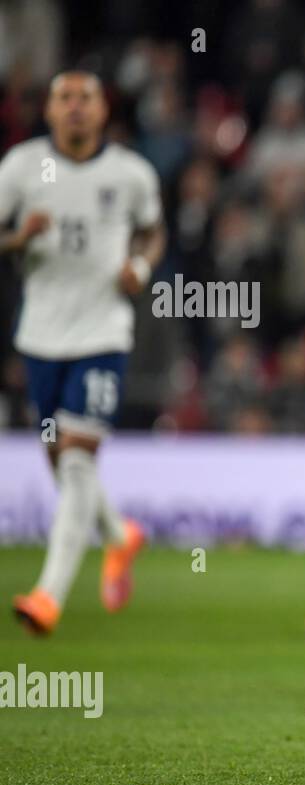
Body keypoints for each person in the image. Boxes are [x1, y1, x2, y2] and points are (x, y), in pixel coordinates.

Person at [5, 72, 165, 635]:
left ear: (103, 110)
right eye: (64, 98)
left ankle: (48, 596)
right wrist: (18, 240)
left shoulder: (129, 173)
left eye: (86, 99)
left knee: (75, 459)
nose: (75, 108)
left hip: (103, 335)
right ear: (47, 110)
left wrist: (140, 268)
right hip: (40, 340)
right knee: (61, 459)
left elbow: (153, 231)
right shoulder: (21, 168)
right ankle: (120, 535)